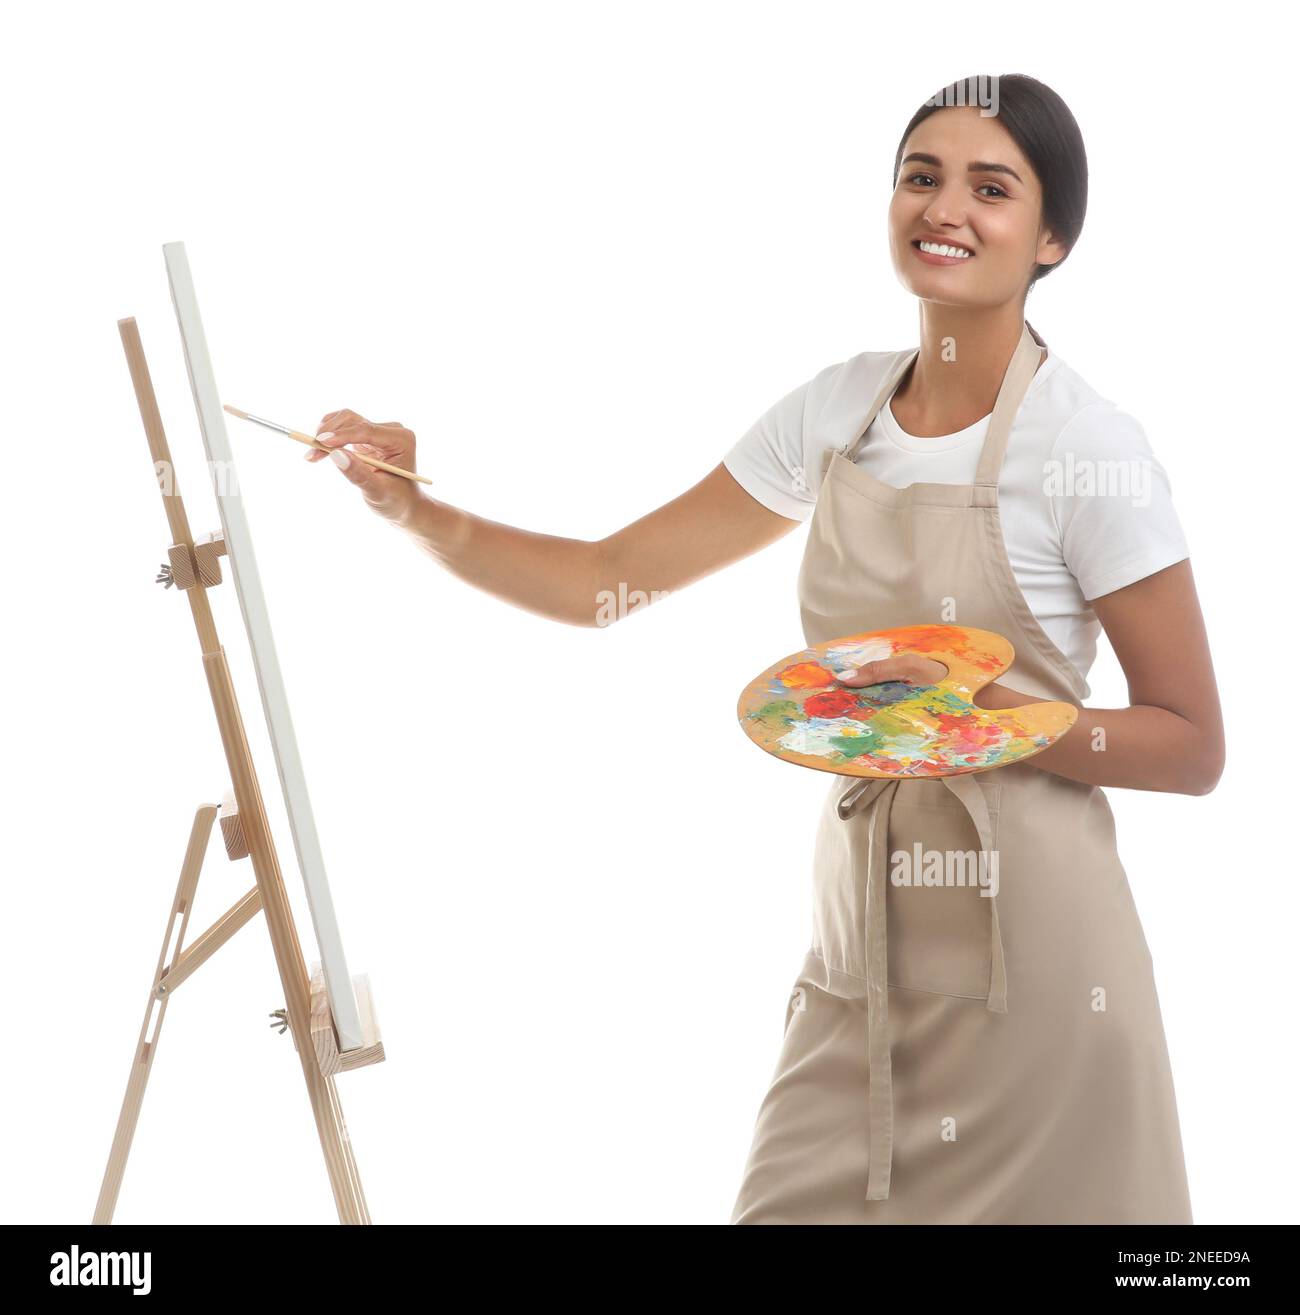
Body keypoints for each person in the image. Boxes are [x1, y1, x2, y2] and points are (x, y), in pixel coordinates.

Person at [306, 73, 1224, 1224]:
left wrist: (993, 729)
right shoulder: (834, 413)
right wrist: (415, 510)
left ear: (1051, 237)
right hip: (859, 956)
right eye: (920, 177)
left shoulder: (1088, 448)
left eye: (990, 189)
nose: (945, 209)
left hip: (1035, 967)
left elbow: (1190, 742)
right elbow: (605, 583)